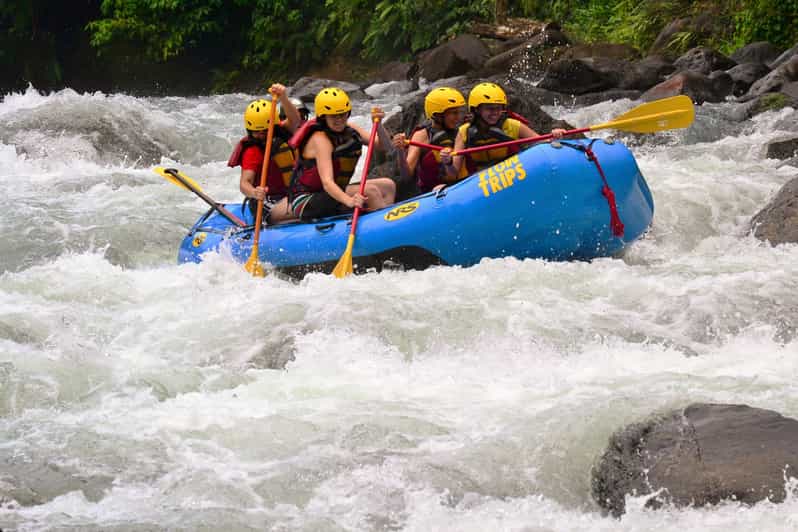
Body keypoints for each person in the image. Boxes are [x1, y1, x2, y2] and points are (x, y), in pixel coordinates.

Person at [288, 87, 396, 221]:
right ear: (323, 116)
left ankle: (386, 221)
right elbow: (327, 182)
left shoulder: (350, 130)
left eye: (343, 114)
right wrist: (349, 201)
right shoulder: (320, 139)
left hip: (332, 192)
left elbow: (386, 146)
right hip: (307, 200)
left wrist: (378, 125)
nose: (339, 119)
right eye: (334, 115)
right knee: (370, 192)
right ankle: (383, 228)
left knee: (388, 185)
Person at [443, 82, 566, 183]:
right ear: (476, 109)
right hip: (481, 184)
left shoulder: (512, 125)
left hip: (514, 178)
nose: (495, 112)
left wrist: (555, 135)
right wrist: (448, 162)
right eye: (490, 108)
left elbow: (544, 142)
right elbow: (454, 173)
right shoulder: (464, 132)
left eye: (499, 108)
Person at [227, 83, 302, 224]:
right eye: (256, 131)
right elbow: (245, 182)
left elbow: (296, 120)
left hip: (291, 195)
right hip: (267, 202)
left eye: (265, 130)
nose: (261, 135)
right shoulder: (252, 151)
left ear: (273, 126)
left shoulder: (282, 131)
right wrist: (254, 192)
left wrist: (284, 98)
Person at [392, 87, 468, 193]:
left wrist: (448, 162)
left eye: (458, 112)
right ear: (437, 115)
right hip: (432, 193)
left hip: (461, 185)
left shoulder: (461, 131)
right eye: (453, 113)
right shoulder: (421, 136)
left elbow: (454, 174)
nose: (458, 117)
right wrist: (400, 151)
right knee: (439, 188)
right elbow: (406, 175)